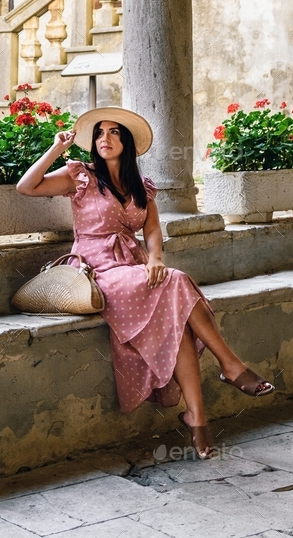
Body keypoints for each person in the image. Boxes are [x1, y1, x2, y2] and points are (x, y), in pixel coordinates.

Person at [16, 106, 274, 459]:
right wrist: (57, 149)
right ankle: (230, 366)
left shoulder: (143, 187)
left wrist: (154, 258)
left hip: (136, 268)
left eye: (114, 133)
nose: (105, 139)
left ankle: (197, 418)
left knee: (179, 320)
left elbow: (152, 229)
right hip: (98, 271)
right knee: (178, 280)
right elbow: (26, 187)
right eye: (99, 133)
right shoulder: (81, 176)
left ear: (128, 142)